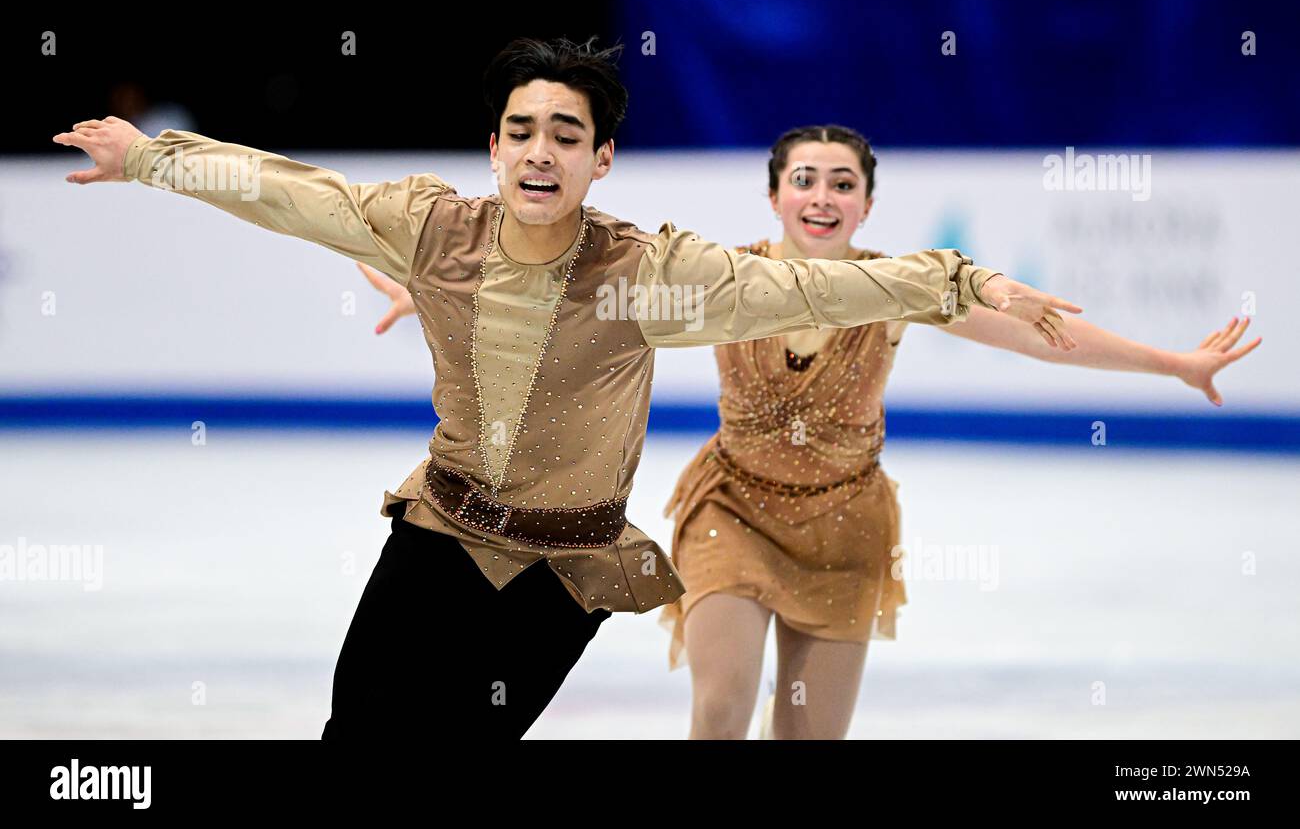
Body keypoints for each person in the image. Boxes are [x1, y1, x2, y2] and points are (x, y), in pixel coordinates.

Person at [52, 39, 1080, 741]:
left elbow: (811, 282)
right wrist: (150, 157)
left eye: (566, 134)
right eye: (521, 128)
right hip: (439, 534)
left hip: (565, 567)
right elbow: (292, 193)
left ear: (601, 158)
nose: (540, 150)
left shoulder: (649, 273)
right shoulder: (430, 226)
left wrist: (959, 279)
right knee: (354, 732)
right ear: (495, 145)